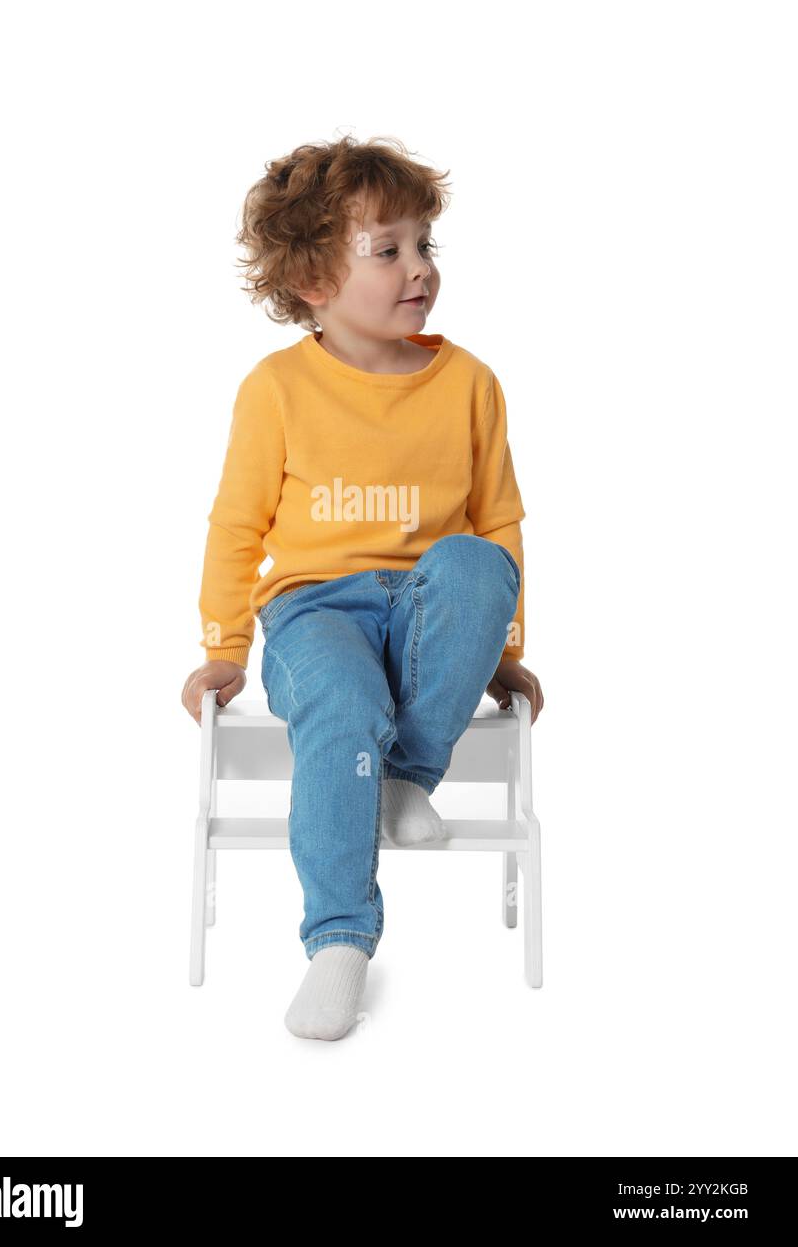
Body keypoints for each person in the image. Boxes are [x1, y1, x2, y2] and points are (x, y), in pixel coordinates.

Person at [181, 134, 544, 1041]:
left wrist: (502, 652)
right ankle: (340, 939)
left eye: (425, 246)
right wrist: (225, 650)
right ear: (312, 282)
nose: (419, 268)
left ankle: (403, 778)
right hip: (317, 610)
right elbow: (238, 526)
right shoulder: (276, 390)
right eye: (388, 251)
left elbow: (498, 522)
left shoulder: (470, 384)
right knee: (340, 702)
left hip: (429, 608)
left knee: (474, 561)